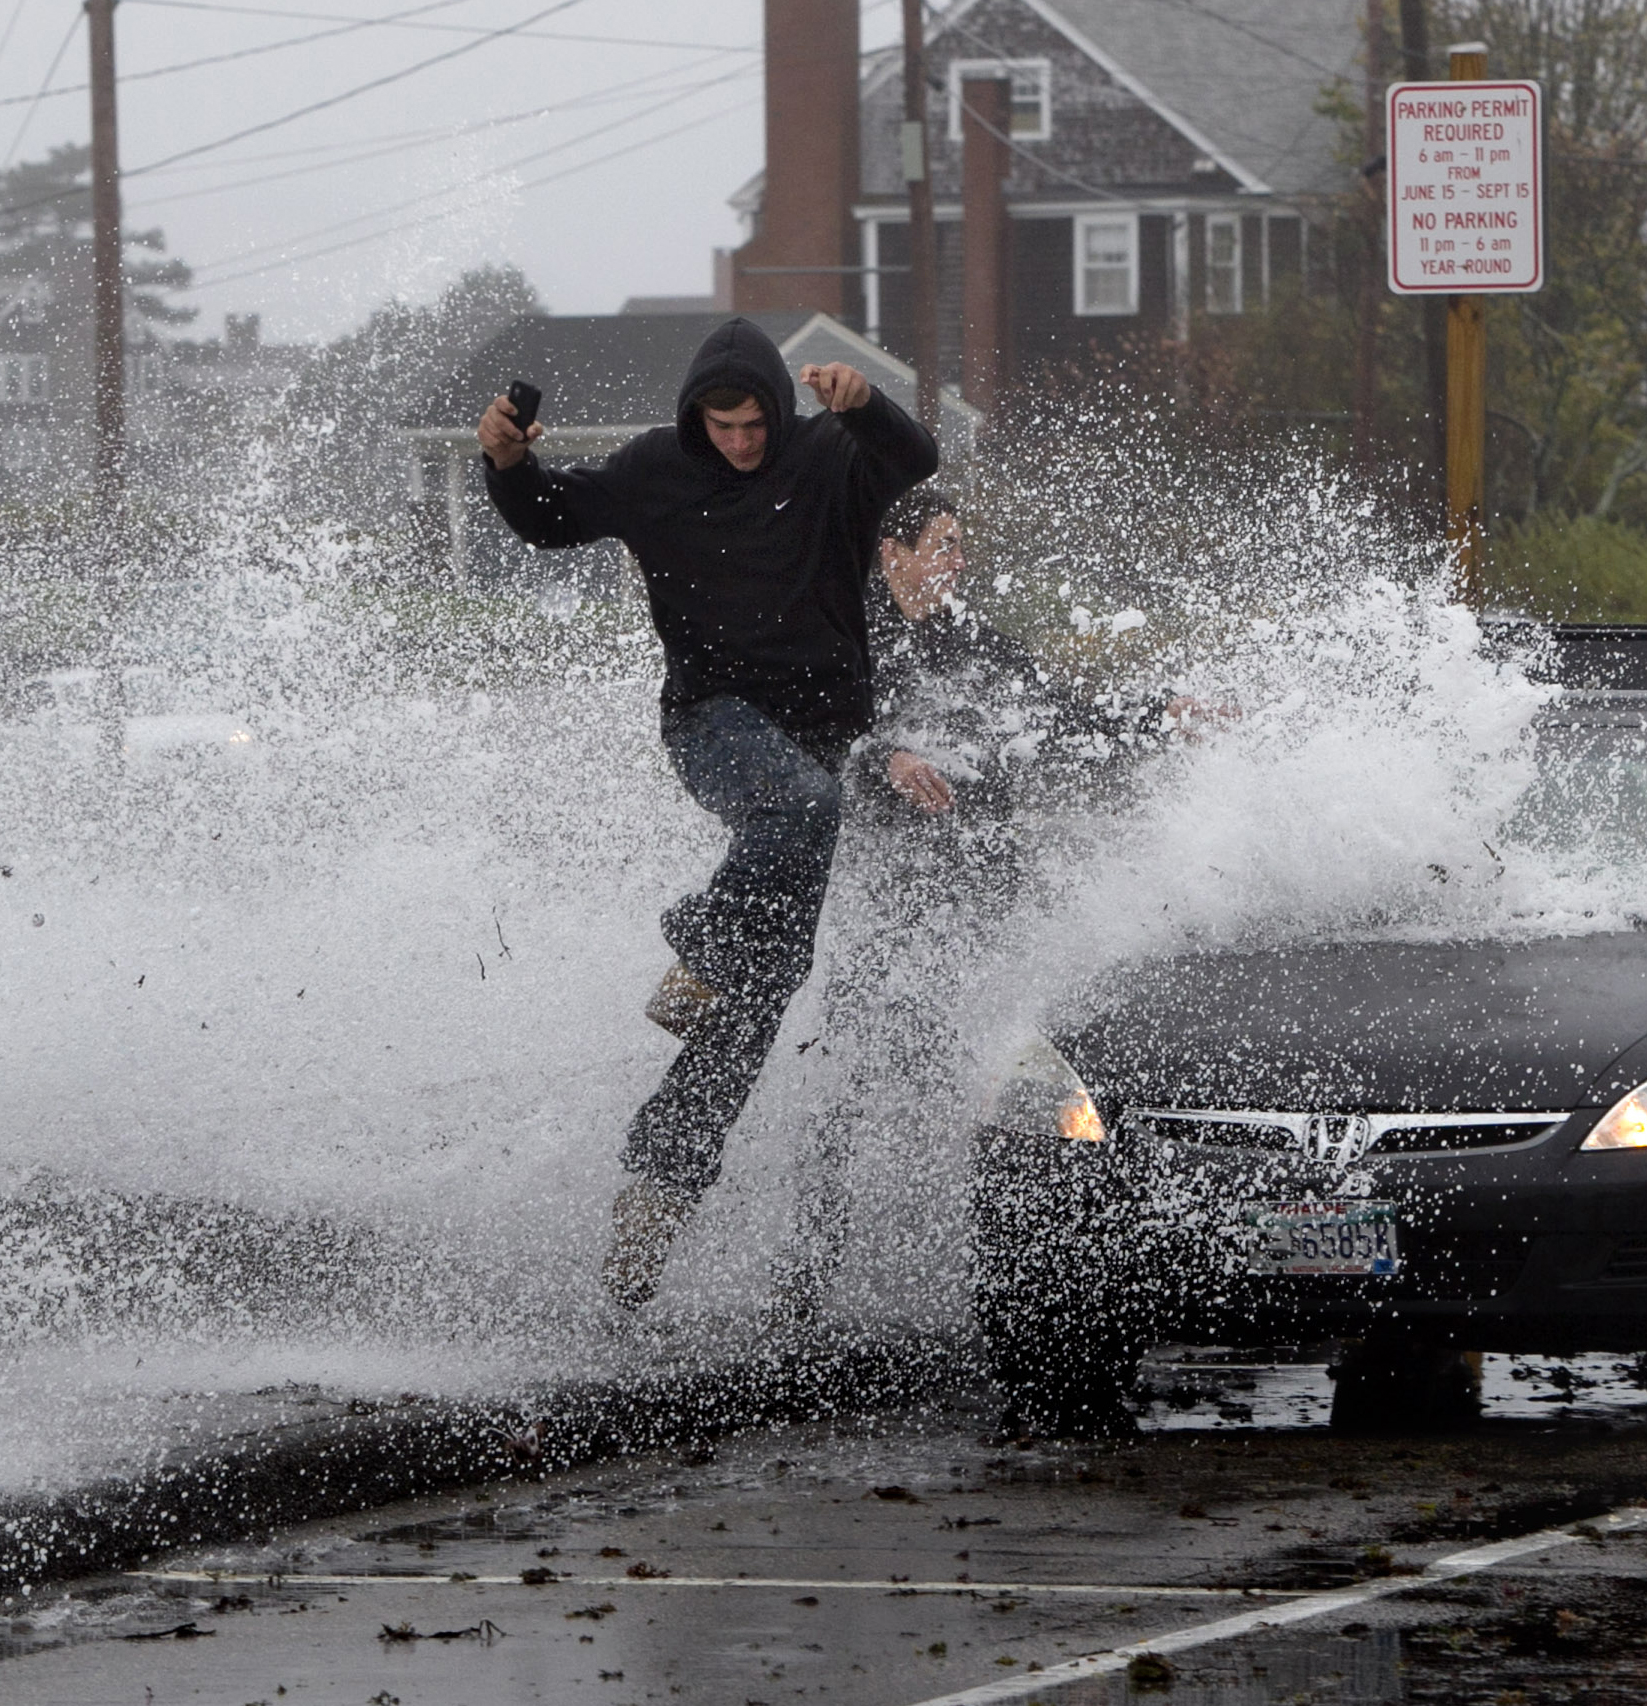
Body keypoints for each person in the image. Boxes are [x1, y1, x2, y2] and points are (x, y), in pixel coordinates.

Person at [476, 318, 939, 1308]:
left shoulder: (829, 457)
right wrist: (507, 465)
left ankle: (653, 1198)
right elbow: (549, 519)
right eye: (721, 427)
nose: (739, 442)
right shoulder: (656, 468)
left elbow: (916, 458)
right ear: (697, 419)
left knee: (758, 999)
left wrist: (867, 404)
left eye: (753, 424)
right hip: (711, 720)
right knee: (800, 808)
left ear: (778, 409)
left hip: (821, 733)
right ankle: (699, 949)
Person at [771, 488, 1191, 1324]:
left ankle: (977, 1265)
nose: (959, 563)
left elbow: (1061, 717)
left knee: (984, 1075)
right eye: (943, 545)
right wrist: (885, 759)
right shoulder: (843, 636)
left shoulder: (971, 641)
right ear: (891, 552)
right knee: (849, 1074)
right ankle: (805, 1274)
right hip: (885, 896)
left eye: (961, 546)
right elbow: (806, 734)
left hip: (981, 890)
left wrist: (1161, 714)